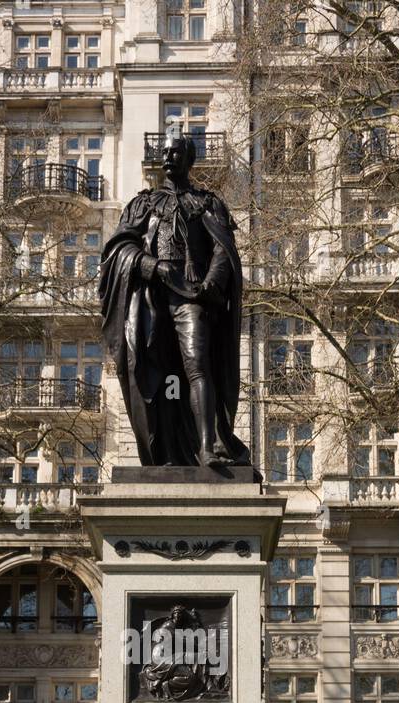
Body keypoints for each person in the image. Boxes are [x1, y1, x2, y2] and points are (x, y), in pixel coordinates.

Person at [99, 127, 250, 471]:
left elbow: (223, 250)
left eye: (176, 151)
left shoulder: (208, 203)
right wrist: (152, 266)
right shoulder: (143, 204)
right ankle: (166, 448)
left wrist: (211, 283)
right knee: (160, 374)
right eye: (165, 151)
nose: (168, 156)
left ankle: (207, 445)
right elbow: (120, 249)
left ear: (189, 158)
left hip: (192, 296)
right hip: (152, 299)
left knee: (197, 365)